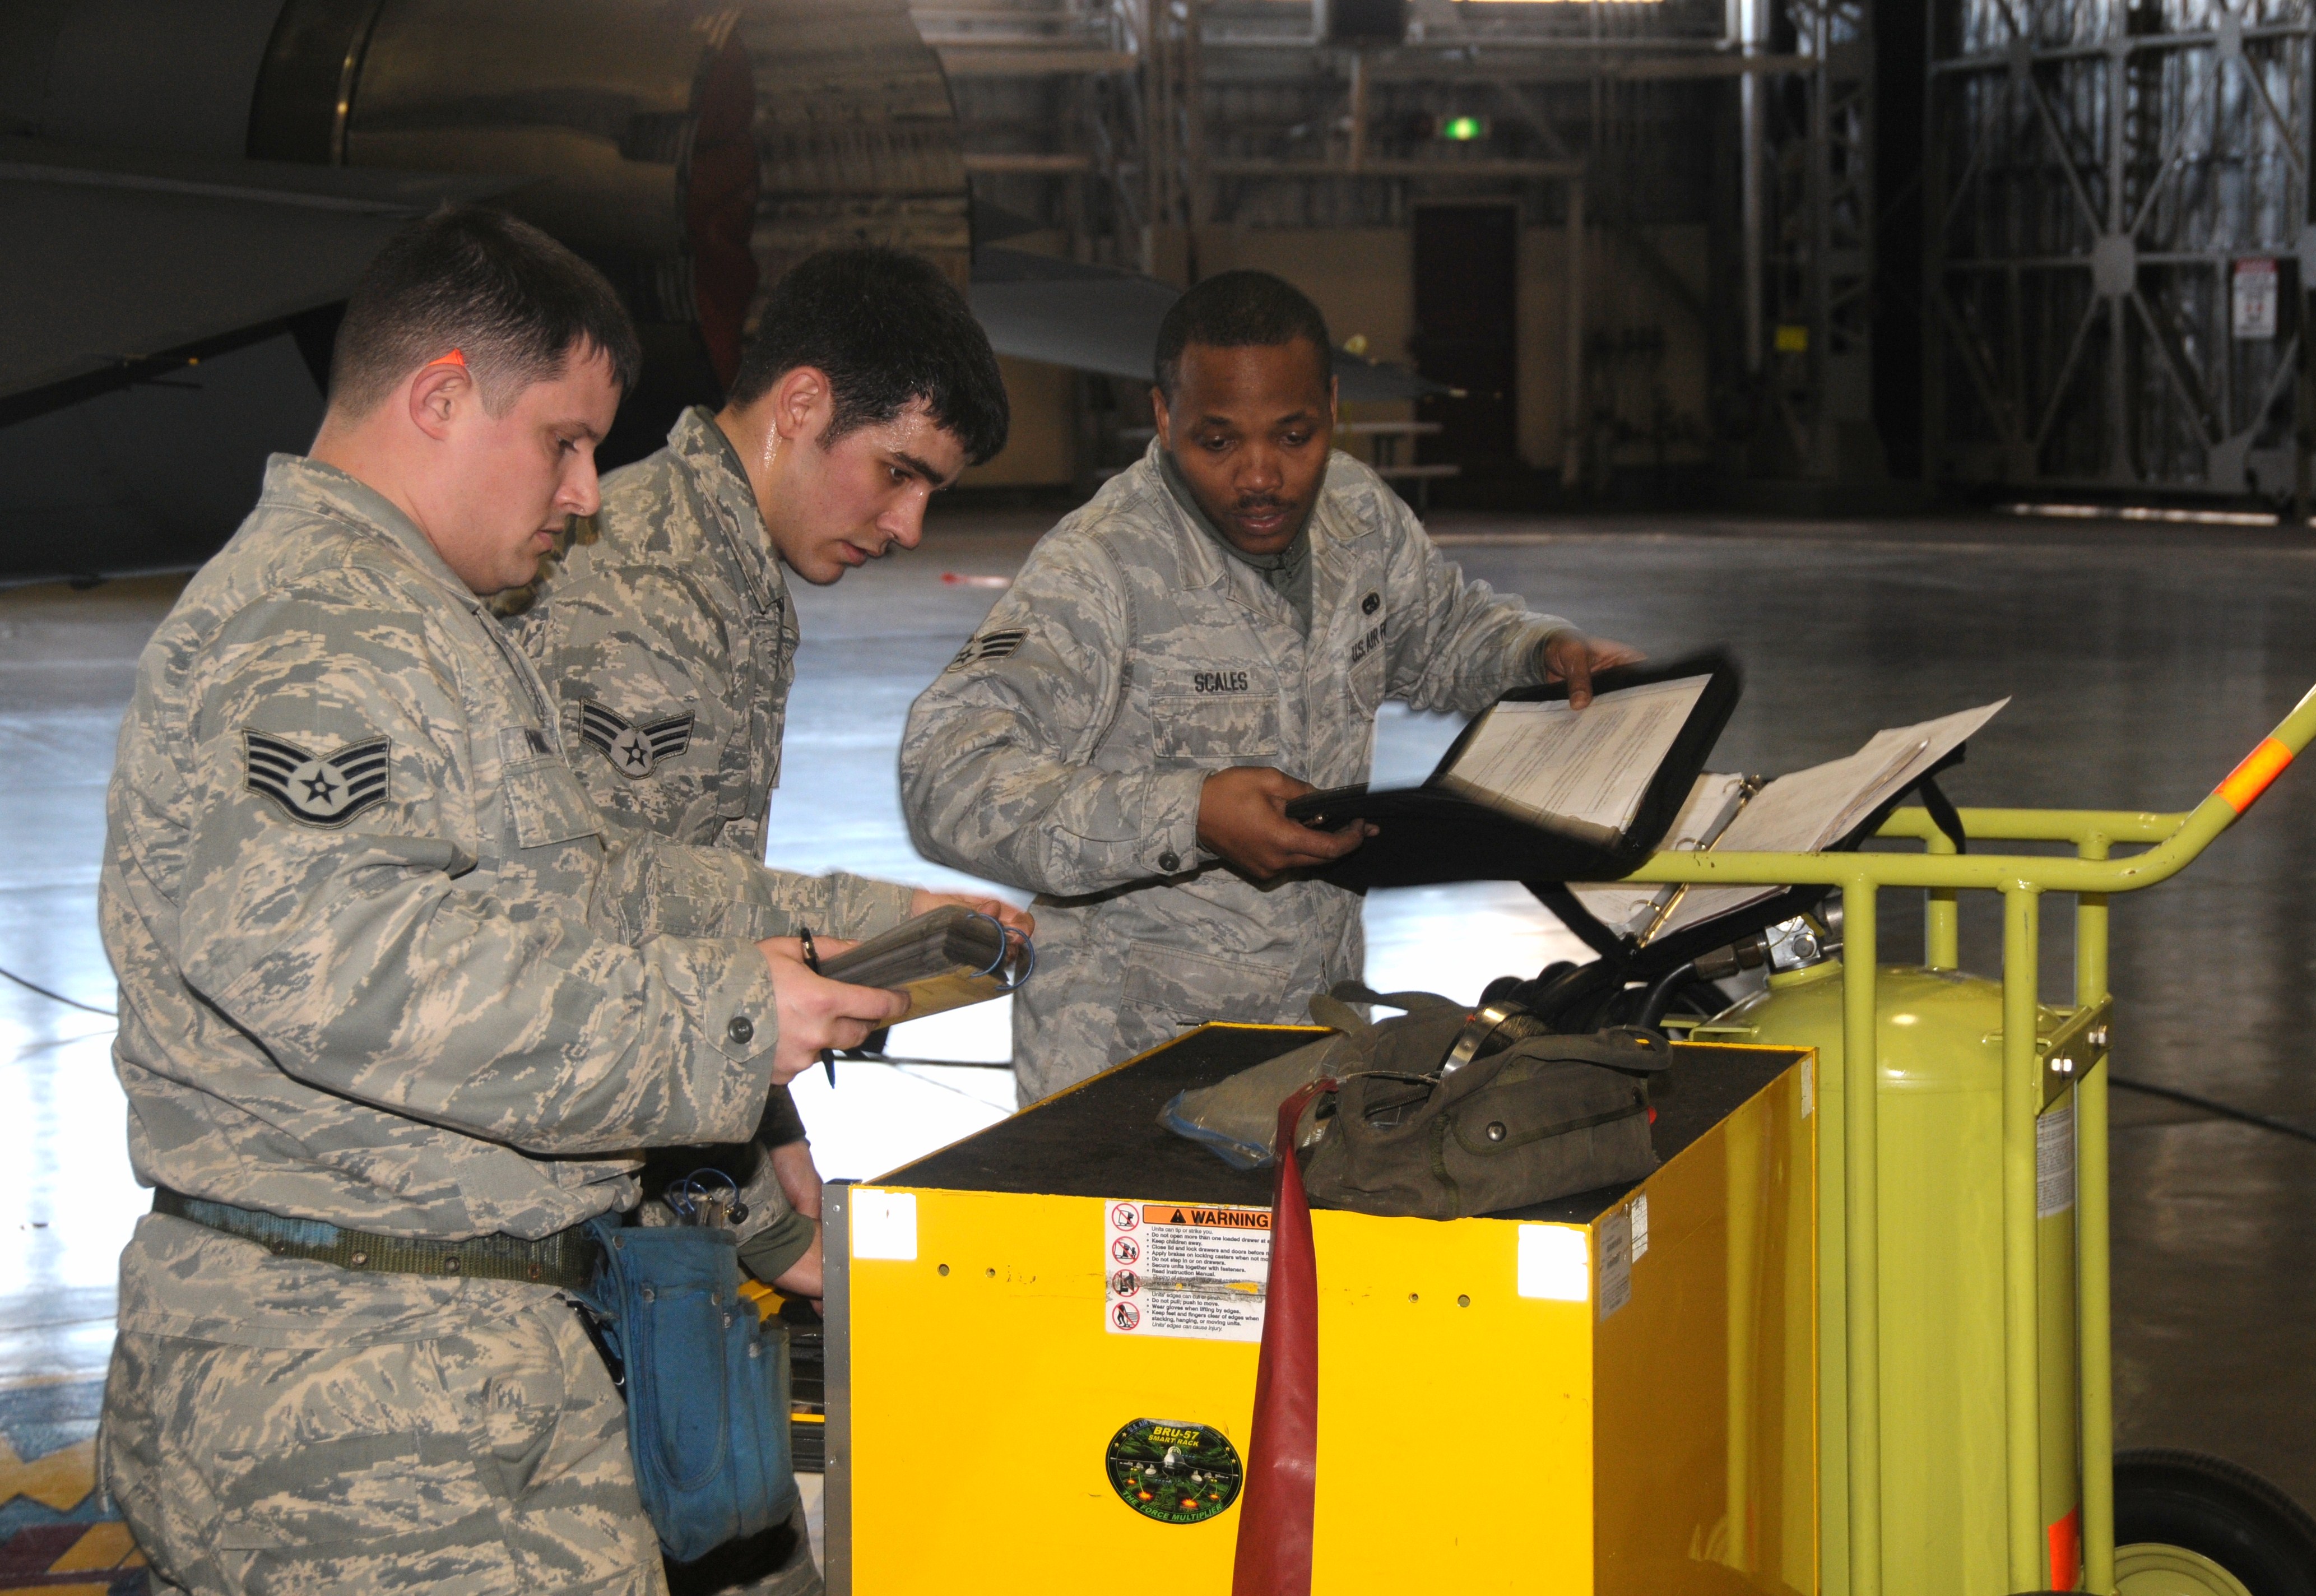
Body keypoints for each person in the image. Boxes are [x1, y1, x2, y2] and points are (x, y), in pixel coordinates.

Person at [96, 207, 908, 1595]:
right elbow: (339, 961)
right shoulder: (315, 625)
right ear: (441, 395)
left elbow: (584, 882)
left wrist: (855, 917)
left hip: (459, 1361)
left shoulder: (426, 620)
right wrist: (718, 1020)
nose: (589, 490)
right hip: (353, 1401)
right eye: (565, 441)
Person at [899, 270, 1639, 1102]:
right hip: (1130, 1066)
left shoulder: (1356, 515)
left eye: (1295, 436)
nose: (1262, 476)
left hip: (1316, 1038)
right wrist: (1191, 815)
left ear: (1329, 405)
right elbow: (947, 778)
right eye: (1218, 443)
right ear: (1164, 416)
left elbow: (1442, 631)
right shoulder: (1102, 569)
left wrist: (1536, 652)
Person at [509, 245, 1024, 1307]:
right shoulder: (643, 588)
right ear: (802, 405)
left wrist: (773, 1132)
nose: (910, 527)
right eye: (899, 471)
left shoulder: (729, 572)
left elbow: (711, 928)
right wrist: (761, 1225)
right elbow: (618, 931)